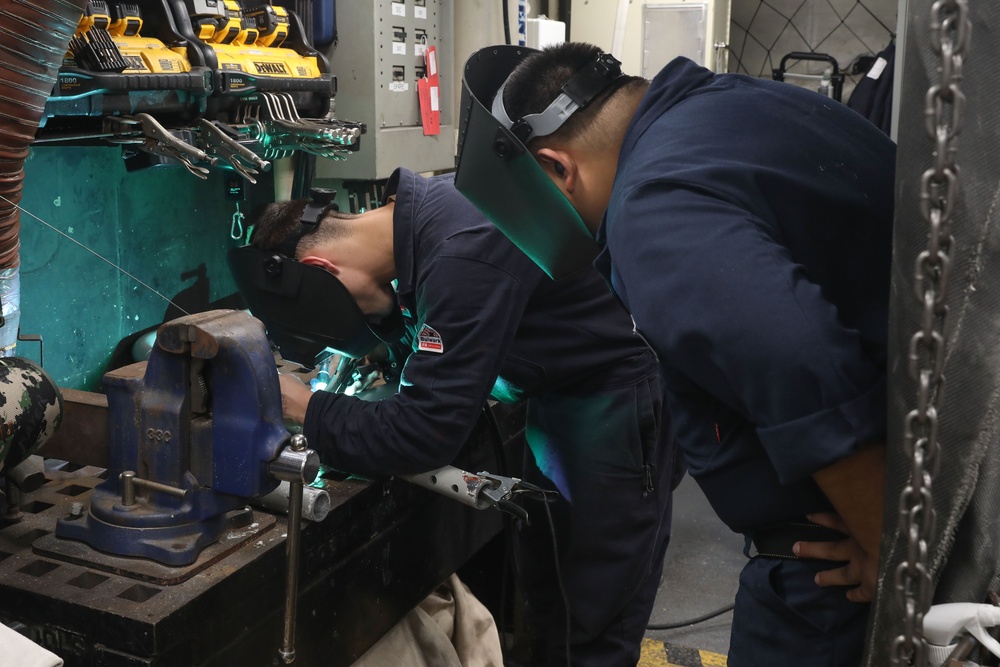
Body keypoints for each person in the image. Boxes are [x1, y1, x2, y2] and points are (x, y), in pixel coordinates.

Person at [454, 42, 896, 667]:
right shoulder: (730, 106)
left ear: (557, 167)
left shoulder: (652, 206)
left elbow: (799, 365)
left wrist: (894, 550)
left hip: (831, 564)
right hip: (886, 501)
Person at [248, 167, 682, 666]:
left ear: (324, 269)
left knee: (591, 619)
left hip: (610, 409)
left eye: (355, 316)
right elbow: (434, 322)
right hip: (561, 397)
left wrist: (306, 406)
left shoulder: (461, 250)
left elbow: (424, 435)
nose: (362, 324)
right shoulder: (420, 215)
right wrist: (388, 334)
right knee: (551, 591)